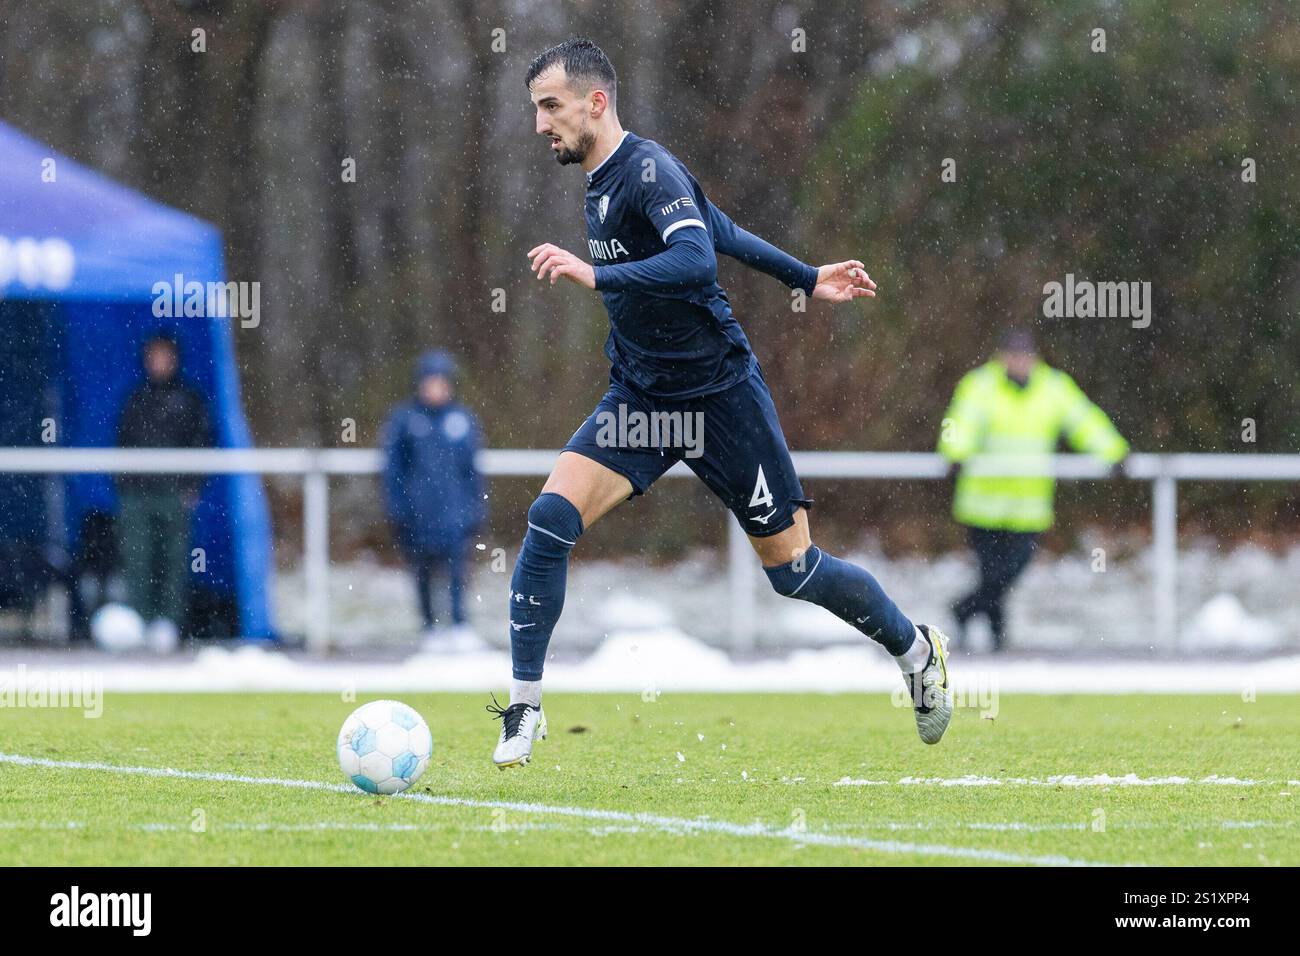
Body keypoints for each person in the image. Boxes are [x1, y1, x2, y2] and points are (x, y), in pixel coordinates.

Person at [486, 37, 953, 769]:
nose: (540, 124)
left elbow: (697, 256)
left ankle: (915, 650)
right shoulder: (601, 182)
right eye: (536, 109)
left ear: (595, 102)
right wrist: (805, 277)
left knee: (794, 571)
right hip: (643, 400)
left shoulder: (648, 169)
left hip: (720, 400)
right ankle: (524, 707)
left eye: (551, 107)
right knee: (550, 520)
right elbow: (719, 226)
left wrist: (596, 276)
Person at [938, 328, 1129, 651]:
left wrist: (1114, 452)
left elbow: (1084, 421)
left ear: (1035, 358)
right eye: (1013, 355)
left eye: (1024, 355)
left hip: (1028, 507)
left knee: (1005, 575)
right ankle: (997, 640)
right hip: (982, 504)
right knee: (992, 575)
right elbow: (960, 421)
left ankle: (964, 610)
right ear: (1001, 357)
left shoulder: (1053, 388)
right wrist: (954, 452)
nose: (1019, 362)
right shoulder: (980, 386)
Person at [382, 350, 487, 653]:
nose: (436, 388)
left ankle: (460, 625)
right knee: (423, 572)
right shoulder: (405, 421)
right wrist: (398, 509)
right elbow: (393, 471)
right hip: (419, 515)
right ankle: (430, 628)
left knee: (458, 571)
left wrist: (476, 508)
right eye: (431, 382)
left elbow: (472, 472)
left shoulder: (463, 420)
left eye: (442, 382)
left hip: (455, 515)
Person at [115, 333, 212, 650]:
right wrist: (126, 486)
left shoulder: (189, 400)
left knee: (174, 562)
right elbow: (123, 444)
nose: (158, 363)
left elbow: (202, 442)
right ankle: (140, 622)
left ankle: (169, 624)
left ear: (175, 359)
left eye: (164, 355)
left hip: (173, 494)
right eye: (153, 356)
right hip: (138, 494)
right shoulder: (136, 400)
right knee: (138, 559)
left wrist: (192, 484)